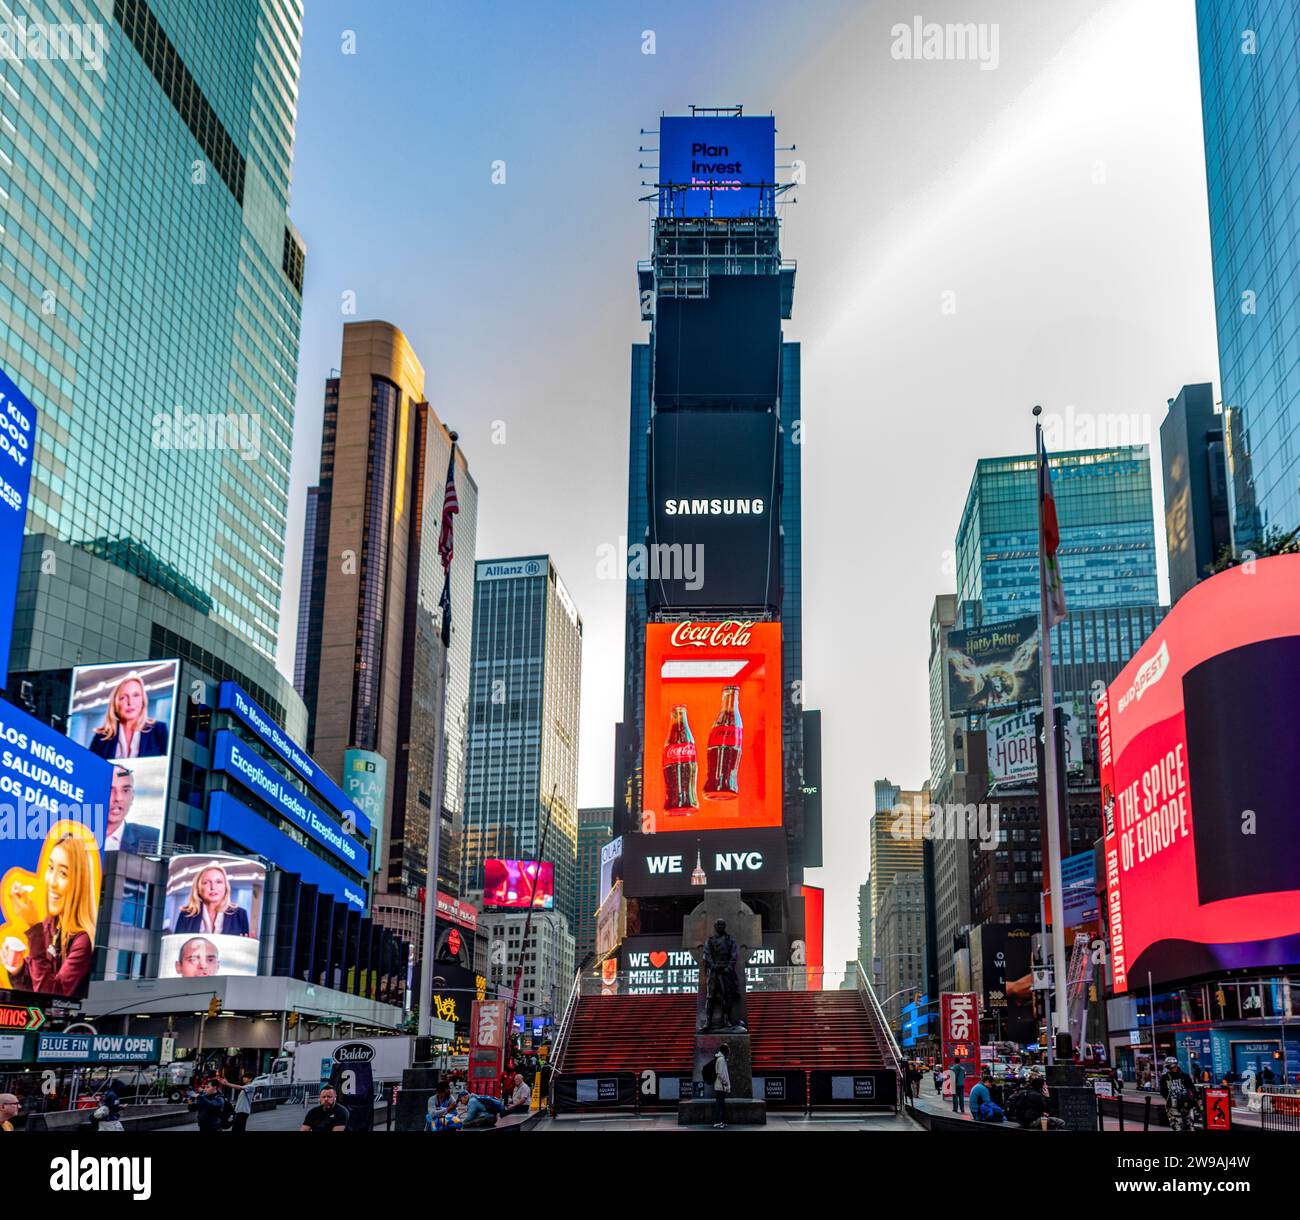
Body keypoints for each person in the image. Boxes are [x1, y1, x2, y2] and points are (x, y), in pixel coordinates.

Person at [3, 831, 99, 997]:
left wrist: (34, 928)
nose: (52, 882)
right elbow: (33, 988)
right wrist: (18, 970)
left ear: (78, 883)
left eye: (63, 873)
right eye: (51, 868)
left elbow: (50, 995)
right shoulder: (51, 924)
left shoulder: (83, 941)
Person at [88, 673, 168, 759]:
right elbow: (90, 768)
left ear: (143, 700)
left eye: (136, 695)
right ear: (115, 704)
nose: (130, 702)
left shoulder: (159, 730)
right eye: (123, 697)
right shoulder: (101, 737)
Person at [172, 863, 251, 936]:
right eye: (206, 882)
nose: (213, 887)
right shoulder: (186, 915)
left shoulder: (240, 914)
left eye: (218, 882)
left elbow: (243, 949)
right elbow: (177, 946)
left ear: (225, 887)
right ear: (198, 889)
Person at [103, 767, 153, 854]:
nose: (118, 798)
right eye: (110, 790)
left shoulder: (153, 838)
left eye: (125, 790)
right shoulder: (75, 832)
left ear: (132, 797)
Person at [1160, 1056, 1199, 1132]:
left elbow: (1192, 1087)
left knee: (1189, 1124)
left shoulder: (1184, 1076)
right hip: (1173, 1104)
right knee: (1177, 1125)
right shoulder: (1165, 1077)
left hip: (1186, 1103)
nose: (1173, 1068)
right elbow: (1163, 1091)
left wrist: (1196, 1098)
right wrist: (1169, 1099)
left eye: (1174, 1066)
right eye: (1171, 1067)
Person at [710, 1043, 732, 1129]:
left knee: (721, 1104)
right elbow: (720, 1074)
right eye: (728, 1049)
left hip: (719, 1086)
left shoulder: (721, 1059)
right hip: (721, 1086)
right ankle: (717, 1122)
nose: (729, 1050)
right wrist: (725, 1083)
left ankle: (721, 1121)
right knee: (719, 1104)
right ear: (725, 1050)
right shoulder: (721, 1059)